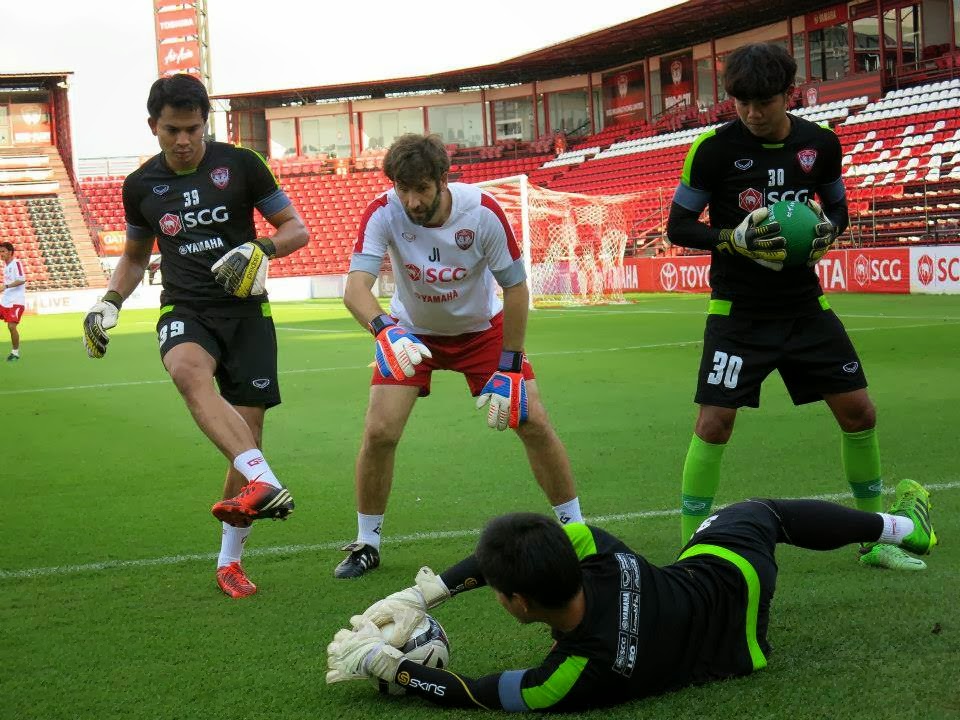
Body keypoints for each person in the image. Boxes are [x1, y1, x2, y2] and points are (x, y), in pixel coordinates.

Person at [326, 479, 937, 711]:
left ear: (516, 604)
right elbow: (545, 540)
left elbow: (477, 695)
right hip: (731, 579)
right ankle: (903, 530)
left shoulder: (570, 674)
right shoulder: (602, 554)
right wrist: (424, 597)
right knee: (764, 510)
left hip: (736, 655)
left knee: (748, 517)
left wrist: (396, 667)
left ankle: (900, 532)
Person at [664, 43, 910, 569]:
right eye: (742, 103)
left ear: (788, 94)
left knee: (859, 412)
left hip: (804, 307)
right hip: (739, 312)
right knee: (714, 424)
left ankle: (874, 542)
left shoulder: (820, 145)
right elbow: (678, 226)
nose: (752, 113)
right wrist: (736, 238)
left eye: (764, 102)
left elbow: (838, 207)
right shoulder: (712, 150)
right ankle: (691, 556)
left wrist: (827, 231)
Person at [80, 74, 309, 598]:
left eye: (193, 129)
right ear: (153, 127)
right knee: (186, 369)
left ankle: (230, 559)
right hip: (186, 307)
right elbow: (136, 258)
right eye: (172, 131)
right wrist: (108, 301)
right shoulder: (139, 186)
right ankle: (266, 480)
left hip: (248, 312)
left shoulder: (243, 165)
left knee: (245, 436)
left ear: (207, 123)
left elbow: (297, 229)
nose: (183, 141)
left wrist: (262, 250)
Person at [335, 133, 582, 578]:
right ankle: (366, 542)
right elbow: (355, 288)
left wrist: (509, 362)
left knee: (533, 421)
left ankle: (576, 530)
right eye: (402, 189)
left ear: (443, 180)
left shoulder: (483, 212)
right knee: (379, 432)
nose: (411, 201)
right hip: (410, 332)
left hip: (480, 332)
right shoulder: (382, 211)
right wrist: (384, 330)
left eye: (421, 189)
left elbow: (515, 286)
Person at [0, 242, 26, 362]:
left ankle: (15, 353)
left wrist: (6, 286)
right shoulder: (5, 267)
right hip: (5, 300)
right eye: (0, 252)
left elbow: (21, 280)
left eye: (3, 251)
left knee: (11, 326)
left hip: (16, 302)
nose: (1, 254)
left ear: (10, 252)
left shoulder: (16, 263)